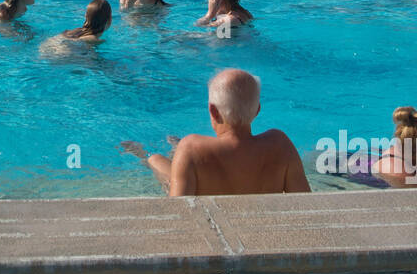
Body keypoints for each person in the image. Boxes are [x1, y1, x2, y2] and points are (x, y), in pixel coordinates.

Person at [120, 69, 310, 197]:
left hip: (196, 167)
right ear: (257, 110)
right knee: (180, 157)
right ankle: (173, 154)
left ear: (213, 111)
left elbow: (179, 210)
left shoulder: (191, 146)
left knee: (157, 162)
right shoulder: (280, 144)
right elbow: (306, 204)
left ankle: (143, 154)